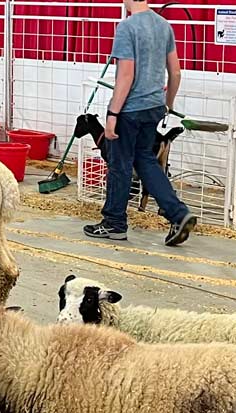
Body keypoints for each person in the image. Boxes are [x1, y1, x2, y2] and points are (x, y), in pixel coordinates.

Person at [84, 0, 197, 246]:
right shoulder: (164, 25)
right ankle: (178, 214)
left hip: (130, 109)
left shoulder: (126, 28)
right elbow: (175, 73)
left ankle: (114, 223)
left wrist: (112, 113)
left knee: (119, 164)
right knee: (145, 159)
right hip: (154, 106)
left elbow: (126, 75)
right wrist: (168, 103)